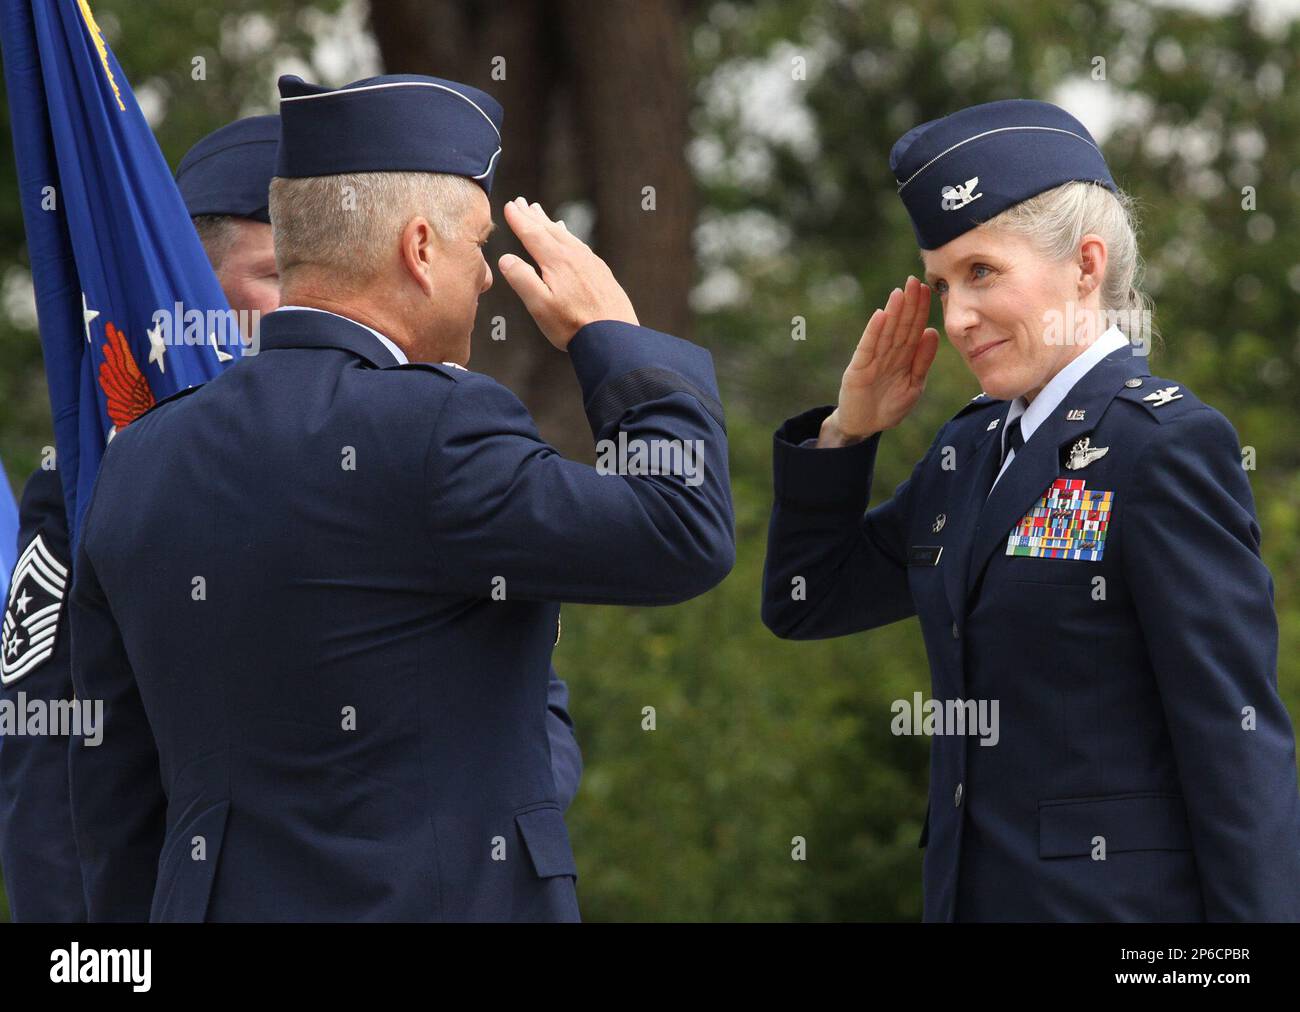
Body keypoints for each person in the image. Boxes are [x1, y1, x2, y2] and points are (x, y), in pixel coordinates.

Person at [67, 73, 733, 922]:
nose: (488, 278)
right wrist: (617, 341)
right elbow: (682, 527)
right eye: (477, 244)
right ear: (420, 248)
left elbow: (115, 798)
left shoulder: (143, 457)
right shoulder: (438, 424)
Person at [0, 112, 578, 921]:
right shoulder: (100, 482)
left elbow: (525, 701)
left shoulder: (416, 449)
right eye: (277, 273)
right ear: (193, 288)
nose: (312, 299)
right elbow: (56, 764)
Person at [761, 99, 1300, 921]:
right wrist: (846, 434)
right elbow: (807, 601)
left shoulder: (1164, 448)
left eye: (982, 272)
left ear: (1087, 266)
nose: (958, 316)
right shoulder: (968, 450)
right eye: (942, 283)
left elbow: (1235, 745)